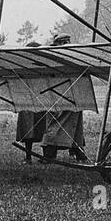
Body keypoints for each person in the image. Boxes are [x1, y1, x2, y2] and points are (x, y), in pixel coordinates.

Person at [40, 34, 87, 162]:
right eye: (65, 42)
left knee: (75, 128)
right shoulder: (54, 58)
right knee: (55, 125)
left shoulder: (72, 57)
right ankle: (49, 154)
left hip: (72, 97)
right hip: (58, 96)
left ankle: (78, 152)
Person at [16, 40, 45, 163]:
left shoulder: (43, 66)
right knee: (28, 131)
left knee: (42, 129)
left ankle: (45, 157)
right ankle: (28, 157)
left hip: (40, 102)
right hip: (27, 102)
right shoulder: (23, 66)